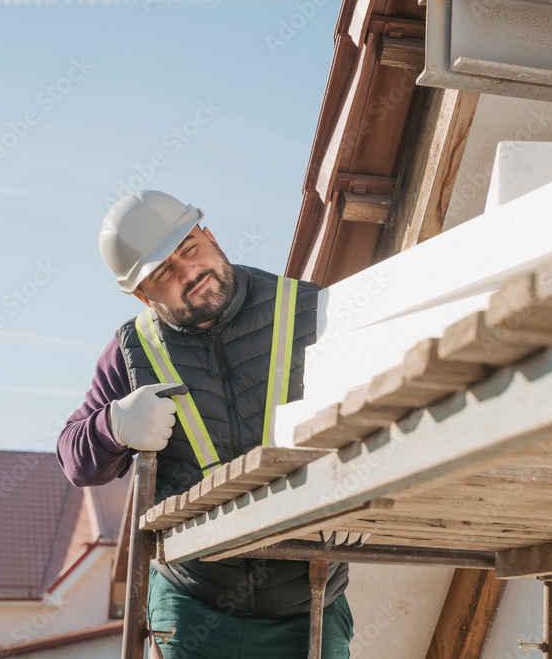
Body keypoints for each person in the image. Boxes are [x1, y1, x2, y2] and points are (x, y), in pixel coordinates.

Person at [56, 190, 353, 658]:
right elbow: (75, 459)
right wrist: (114, 425)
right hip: (194, 602)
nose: (189, 273)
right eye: (163, 272)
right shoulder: (133, 352)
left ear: (209, 235)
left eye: (190, 249)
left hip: (309, 597)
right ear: (141, 294)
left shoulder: (308, 309)